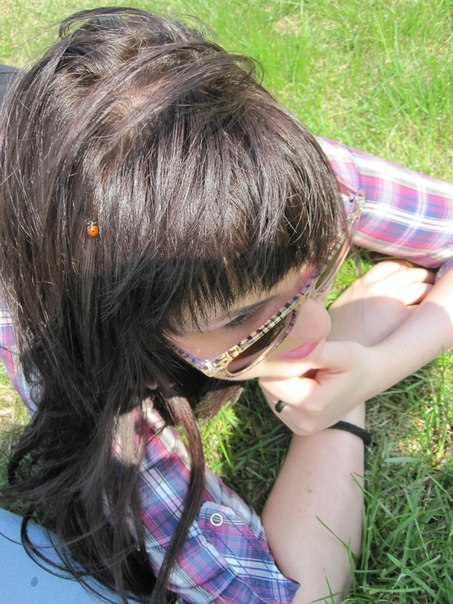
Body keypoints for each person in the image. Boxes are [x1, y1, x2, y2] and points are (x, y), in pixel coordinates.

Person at [0, 7, 451, 604]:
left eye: (318, 270)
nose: (318, 324)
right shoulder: (80, 377)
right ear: (126, 336)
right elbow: (294, 593)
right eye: (241, 318)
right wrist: (338, 409)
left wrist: (378, 363)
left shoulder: (266, 184)